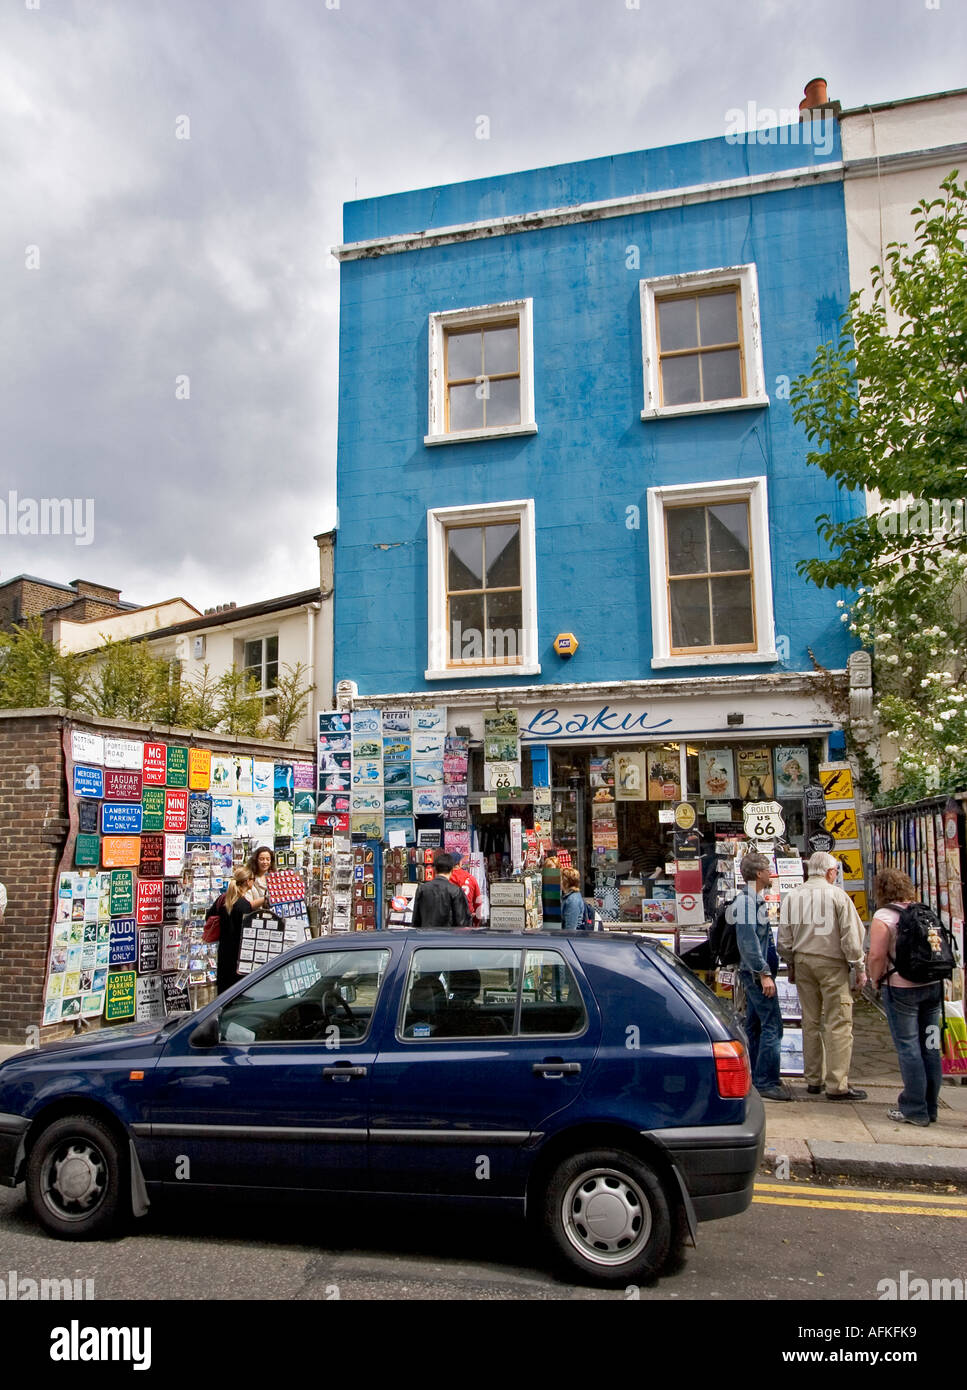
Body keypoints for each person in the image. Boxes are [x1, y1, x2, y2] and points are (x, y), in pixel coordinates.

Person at [778, 852, 867, 1099]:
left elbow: (784, 938)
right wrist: (859, 967)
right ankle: (837, 1083)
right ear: (829, 872)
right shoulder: (837, 896)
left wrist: (791, 963)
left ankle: (813, 1078)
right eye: (836, 871)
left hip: (803, 960)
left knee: (810, 1021)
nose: (836, 875)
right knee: (838, 1021)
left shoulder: (793, 896)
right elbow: (851, 937)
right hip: (831, 962)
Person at [867, 867, 943, 1126]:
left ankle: (914, 1108)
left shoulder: (884, 916)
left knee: (908, 1047)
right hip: (933, 986)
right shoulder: (923, 910)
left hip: (901, 988)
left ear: (881, 890)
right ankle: (931, 1106)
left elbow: (876, 955)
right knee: (930, 1046)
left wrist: (875, 980)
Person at [734, 851, 789, 1101]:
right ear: (758, 874)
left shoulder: (753, 900)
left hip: (756, 972)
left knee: (755, 1024)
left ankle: (755, 1075)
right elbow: (749, 943)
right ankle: (766, 1080)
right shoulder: (746, 902)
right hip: (755, 974)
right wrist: (763, 973)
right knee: (773, 1025)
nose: (771, 873)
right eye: (768, 869)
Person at [216, 867, 265, 995]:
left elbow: (209, 916)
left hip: (223, 954)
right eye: (252, 880)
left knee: (223, 995)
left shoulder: (223, 900)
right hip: (239, 956)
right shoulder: (244, 905)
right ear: (247, 881)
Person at [412, 853, 471, 930]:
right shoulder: (455, 890)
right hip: (448, 938)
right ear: (451, 869)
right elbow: (462, 920)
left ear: (435, 869)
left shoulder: (422, 889)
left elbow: (416, 919)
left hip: (425, 937)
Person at [449, 852, 482, 924]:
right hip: (466, 917)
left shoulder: (446, 878)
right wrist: (477, 921)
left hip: (449, 918)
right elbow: (478, 901)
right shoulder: (470, 878)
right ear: (459, 863)